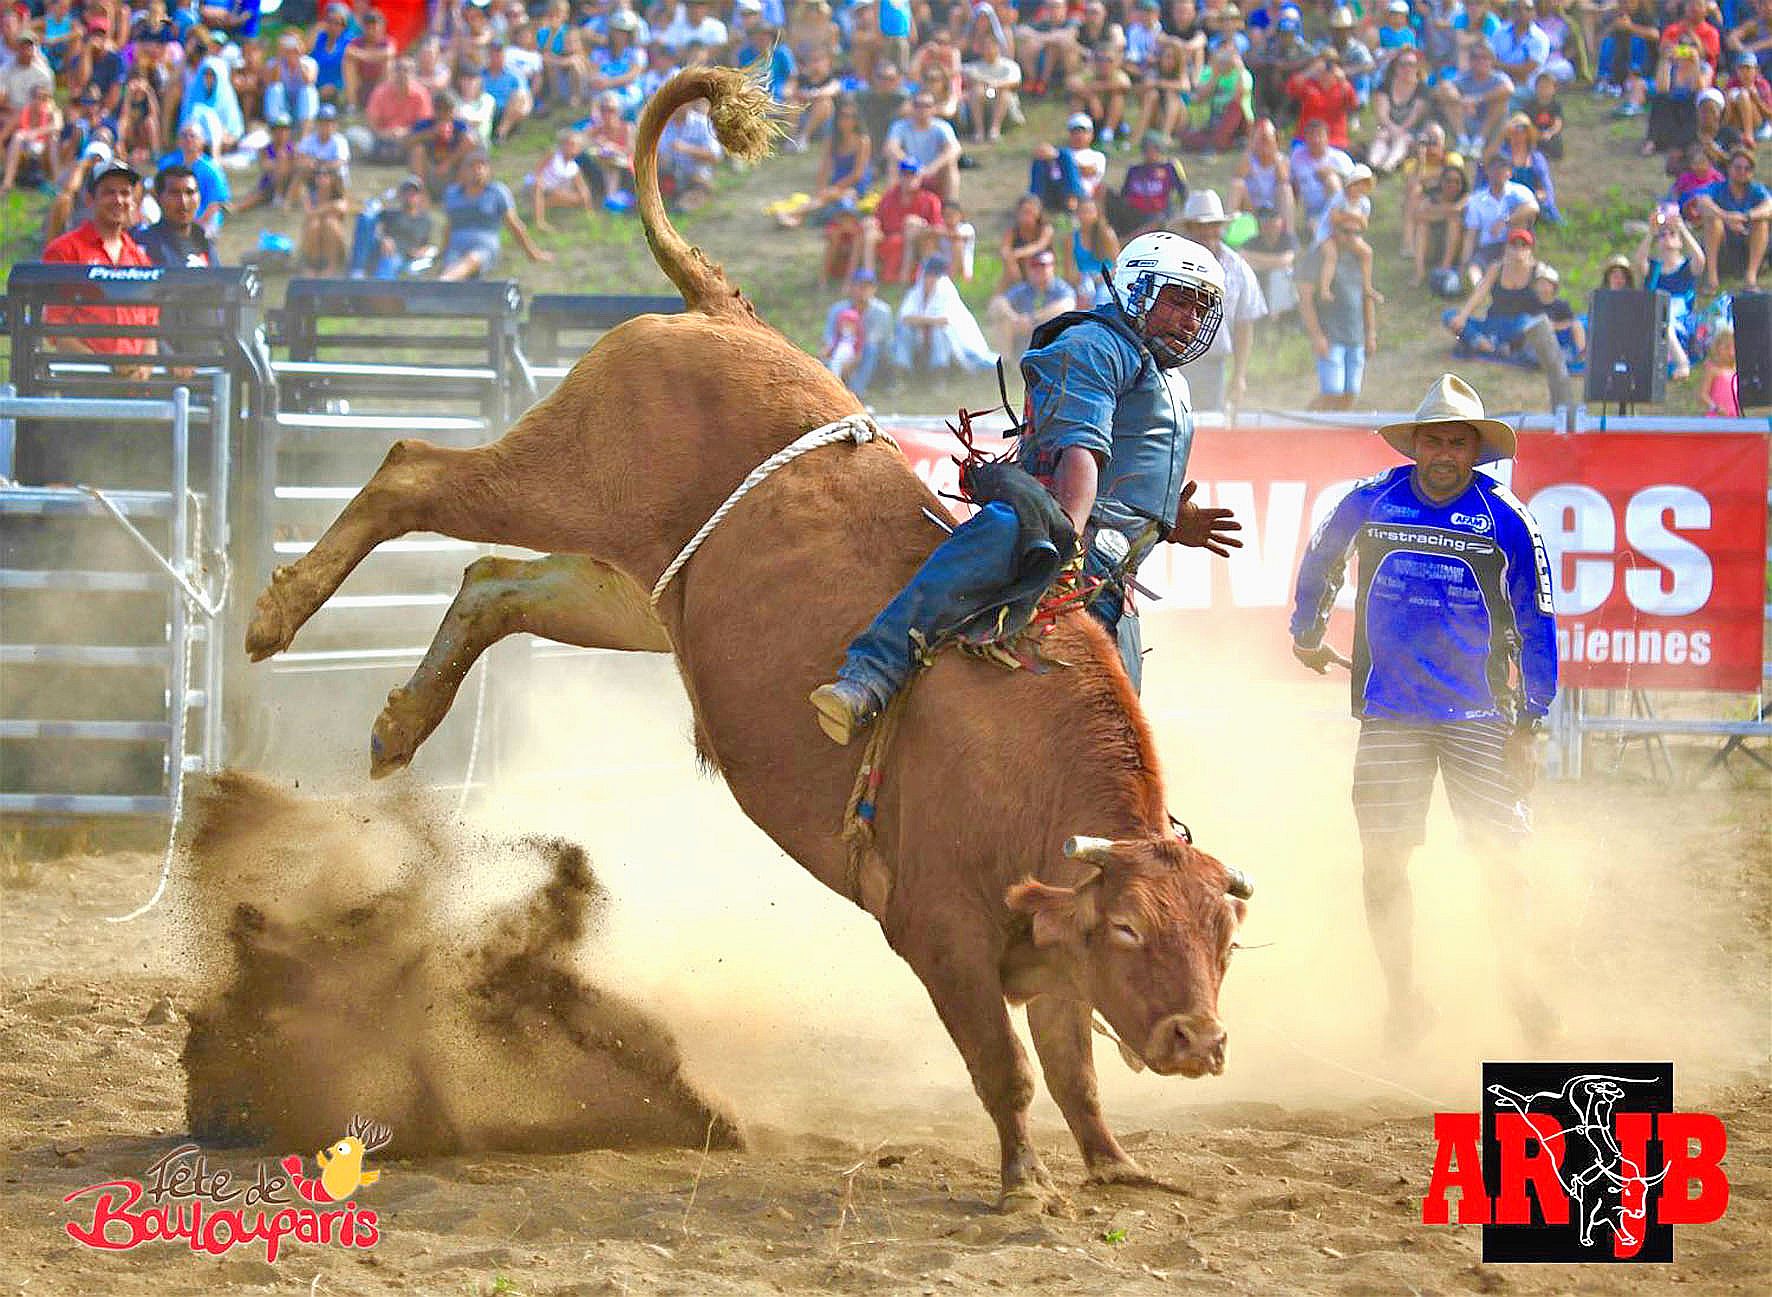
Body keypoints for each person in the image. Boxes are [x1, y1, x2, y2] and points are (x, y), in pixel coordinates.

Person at [809, 230, 1240, 742]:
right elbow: (1081, 449)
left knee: (1116, 746)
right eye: (1178, 302)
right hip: (1059, 534)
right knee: (1007, 528)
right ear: (1137, 289)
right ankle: (871, 673)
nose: (1191, 320)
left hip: (1111, 584)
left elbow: (1124, 468)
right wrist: (1069, 544)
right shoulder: (1094, 344)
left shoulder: (1167, 376)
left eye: (1200, 308)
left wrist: (1165, 521)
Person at [1289, 373, 1558, 1051]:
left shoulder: (1507, 520)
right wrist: (1306, 630)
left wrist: (1533, 720)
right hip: (1390, 713)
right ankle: (1402, 999)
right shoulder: (1370, 501)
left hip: (1481, 719)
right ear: (1415, 445)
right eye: (1432, 440)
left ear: (1475, 449)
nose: (1443, 452)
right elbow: (1321, 559)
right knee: (1382, 860)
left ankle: (1523, 989)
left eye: (1456, 441)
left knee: (1503, 860)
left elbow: (1537, 618)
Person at [41, 160, 158, 378]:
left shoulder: (140, 258)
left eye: (125, 193)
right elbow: (56, 330)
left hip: (138, 389)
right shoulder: (64, 250)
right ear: (89, 199)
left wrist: (146, 366)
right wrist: (108, 368)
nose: (119, 200)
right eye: (109, 192)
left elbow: (151, 327)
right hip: (85, 384)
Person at [1181, 189, 1267, 416]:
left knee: (1210, 424)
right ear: (1190, 229)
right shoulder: (1173, 264)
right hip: (1174, 361)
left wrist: (1239, 376)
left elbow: (1244, 325)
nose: (1207, 232)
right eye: (1200, 226)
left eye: (1212, 226)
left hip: (1213, 362)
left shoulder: (1237, 268)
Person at [437, 148, 552, 279]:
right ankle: (444, 284)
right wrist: (442, 250)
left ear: (488, 170)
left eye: (482, 166)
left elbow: (514, 224)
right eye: (472, 166)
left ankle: (443, 282)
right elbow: (449, 225)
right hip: (456, 247)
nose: (477, 170)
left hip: (484, 246)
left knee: (471, 259)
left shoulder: (497, 192)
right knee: (451, 265)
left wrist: (532, 253)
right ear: (463, 171)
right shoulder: (452, 194)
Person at [890, 253, 995, 377]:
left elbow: (945, 321)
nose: (930, 279)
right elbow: (904, 317)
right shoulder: (915, 292)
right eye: (928, 274)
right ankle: (901, 374)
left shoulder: (946, 290)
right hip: (921, 338)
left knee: (939, 331)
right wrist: (929, 321)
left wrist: (921, 320)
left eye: (934, 275)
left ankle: (939, 376)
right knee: (903, 330)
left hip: (956, 340)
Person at [1695, 147, 1772, 292]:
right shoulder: (1717, 188)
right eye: (1738, 167)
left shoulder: (1756, 189)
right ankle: (1712, 280)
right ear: (1729, 168)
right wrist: (1726, 217)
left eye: (1747, 168)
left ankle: (1751, 279)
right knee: (1713, 221)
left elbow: (1769, 207)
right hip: (1722, 249)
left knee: (1761, 222)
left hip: (1747, 245)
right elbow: (1702, 202)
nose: (1742, 171)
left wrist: (1745, 217)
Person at [987, 247, 1077, 367]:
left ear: (1052, 267)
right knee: (1004, 323)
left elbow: (1066, 306)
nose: (1039, 269)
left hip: (1049, 334)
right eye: (1034, 265)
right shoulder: (1023, 288)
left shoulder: (1062, 288)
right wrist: (1014, 318)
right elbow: (998, 303)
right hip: (1023, 334)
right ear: (1028, 269)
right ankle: (1006, 366)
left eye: (1043, 265)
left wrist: (1032, 319)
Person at [863, 157, 944, 283]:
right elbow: (878, 220)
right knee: (869, 233)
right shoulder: (889, 196)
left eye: (913, 175)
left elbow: (938, 229)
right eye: (905, 175)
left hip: (917, 242)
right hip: (889, 236)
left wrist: (921, 224)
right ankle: (868, 278)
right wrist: (871, 223)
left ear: (919, 177)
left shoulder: (930, 199)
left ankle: (903, 279)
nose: (909, 179)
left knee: (911, 226)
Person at [823, 266, 894, 396]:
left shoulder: (883, 311)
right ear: (852, 287)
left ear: (874, 289)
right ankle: (832, 390)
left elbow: (874, 340)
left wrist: (853, 359)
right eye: (859, 285)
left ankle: (857, 392)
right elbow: (830, 336)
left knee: (871, 349)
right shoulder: (837, 309)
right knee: (824, 358)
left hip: (875, 355)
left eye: (868, 286)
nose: (863, 290)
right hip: (844, 349)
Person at [1461, 159, 1539, 275]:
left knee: (1521, 217)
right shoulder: (1476, 199)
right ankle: (1478, 288)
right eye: (1494, 168)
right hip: (1488, 247)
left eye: (1503, 169)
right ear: (1487, 171)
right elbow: (1471, 234)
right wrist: (1464, 262)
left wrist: (1505, 221)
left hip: (1514, 245)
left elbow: (1533, 208)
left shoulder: (1520, 192)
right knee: (1473, 271)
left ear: (1510, 173)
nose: (1498, 172)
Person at [884, 91, 964, 203]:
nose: (922, 109)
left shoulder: (942, 126)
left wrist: (932, 168)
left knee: (950, 164)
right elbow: (890, 148)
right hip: (909, 170)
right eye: (918, 105)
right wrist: (912, 164)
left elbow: (955, 149)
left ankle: (950, 205)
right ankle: (892, 204)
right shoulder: (900, 126)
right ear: (912, 107)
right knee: (893, 164)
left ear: (933, 108)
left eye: (927, 105)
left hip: (934, 172)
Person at [136, 163, 218, 268]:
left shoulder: (205, 243)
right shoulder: (144, 244)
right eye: (174, 193)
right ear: (158, 198)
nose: (183, 202)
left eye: (190, 192)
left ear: (199, 198)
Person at [1115, 129, 1189, 234]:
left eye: (1154, 149)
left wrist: (1179, 212)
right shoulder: (1134, 171)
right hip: (1136, 215)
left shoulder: (1170, 168)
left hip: (1161, 215)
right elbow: (1124, 195)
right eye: (1146, 149)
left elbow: (1183, 192)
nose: (1150, 153)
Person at [527, 128, 595, 231]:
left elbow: (582, 187)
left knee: (579, 198)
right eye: (570, 144)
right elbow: (537, 172)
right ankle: (540, 223)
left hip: (556, 191)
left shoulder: (574, 167)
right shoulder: (553, 155)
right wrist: (539, 181)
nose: (572, 147)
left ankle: (542, 207)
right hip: (539, 187)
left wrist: (589, 211)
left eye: (576, 145)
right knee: (538, 185)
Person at [372, 176, 439, 279]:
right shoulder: (390, 214)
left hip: (414, 260)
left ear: (421, 196)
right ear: (400, 195)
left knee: (418, 270)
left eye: (414, 193)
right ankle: (381, 292)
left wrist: (422, 251)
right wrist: (384, 239)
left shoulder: (426, 221)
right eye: (407, 192)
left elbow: (432, 245)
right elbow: (375, 229)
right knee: (389, 263)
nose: (410, 196)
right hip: (393, 254)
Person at [1702, 325, 1740, 415]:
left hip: (1735, 417)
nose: (1731, 353)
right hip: (1717, 417)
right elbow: (1703, 395)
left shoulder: (1736, 371)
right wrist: (1715, 407)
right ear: (1718, 349)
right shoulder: (1713, 370)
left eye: (1733, 348)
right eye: (1726, 348)